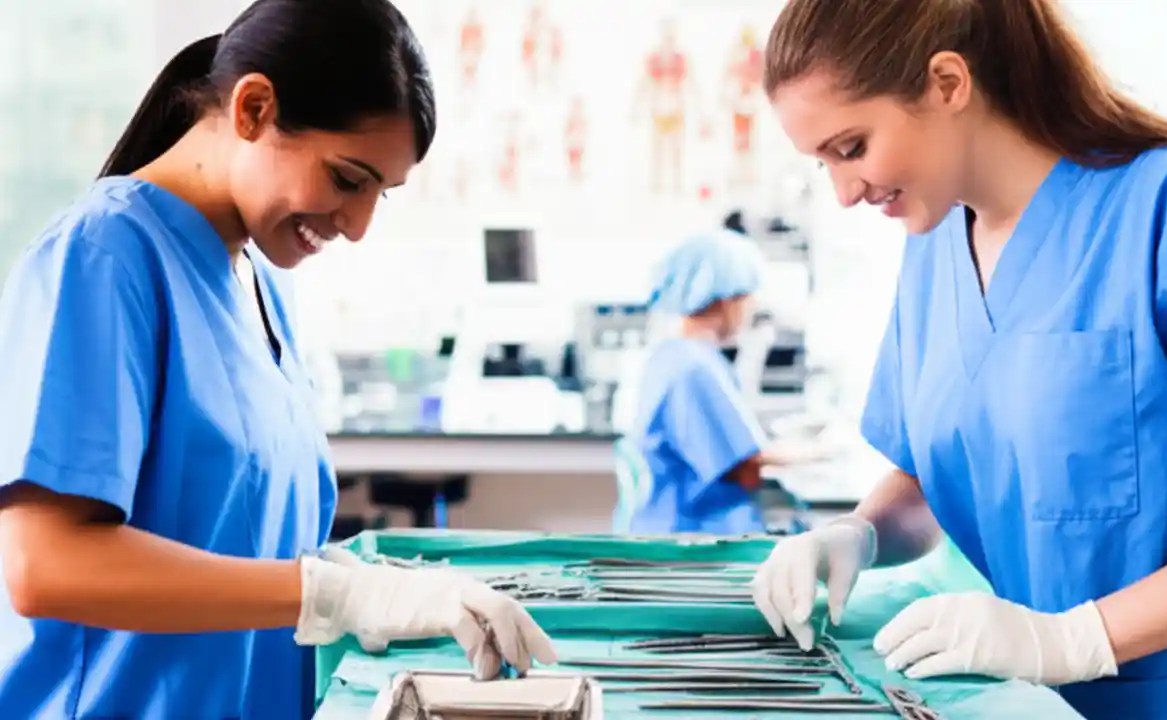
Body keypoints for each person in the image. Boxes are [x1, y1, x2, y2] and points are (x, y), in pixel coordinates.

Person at [0, 2, 555, 719]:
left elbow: (241, 539)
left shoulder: (261, 281)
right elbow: (45, 565)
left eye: (380, 195)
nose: (357, 226)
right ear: (254, 107)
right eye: (349, 179)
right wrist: (332, 594)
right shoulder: (104, 256)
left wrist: (360, 581)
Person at [749, 0, 1167, 718]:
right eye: (823, 165)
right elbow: (934, 473)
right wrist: (857, 534)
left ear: (946, 83)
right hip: (1023, 702)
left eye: (852, 148)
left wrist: (1073, 639)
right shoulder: (935, 244)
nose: (844, 193)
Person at [628, 229, 832, 535]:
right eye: (748, 297)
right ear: (726, 299)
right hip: (688, 540)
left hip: (666, 524)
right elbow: (744, 469)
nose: (752, 308)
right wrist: (822, 450)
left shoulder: (669, 355)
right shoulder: (693, 367)